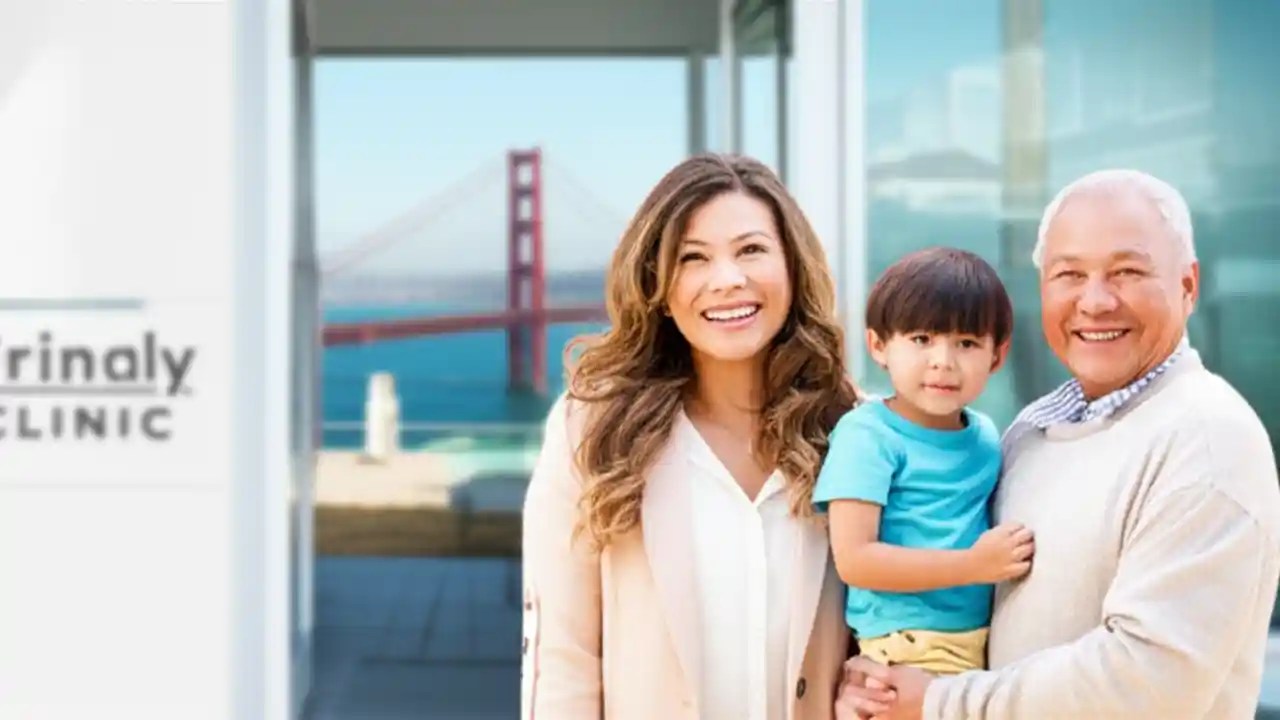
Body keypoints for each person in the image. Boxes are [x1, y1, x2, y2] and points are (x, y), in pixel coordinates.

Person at [837, 168, 1280, 720]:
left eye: (1126, 271)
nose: (1094, 301)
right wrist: (876, 676)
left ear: (1188, 285)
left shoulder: (1208, 439)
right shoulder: (1027, 433)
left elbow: (1149, 679)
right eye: (1069, 274)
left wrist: (937, 702)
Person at [520, 153, 860, 720]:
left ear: (793, 266)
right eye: (692, 258)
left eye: (751, 250)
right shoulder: (594, 432)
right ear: (658, 285)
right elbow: (562, 659)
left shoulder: (853, 429)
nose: (726, 279)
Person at [813, 247, 1033, 677]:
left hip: (981, 646)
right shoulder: (868, 435)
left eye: (966, 343)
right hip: (907, 648)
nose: (943, 362)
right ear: (878, 345)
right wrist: (974, 565)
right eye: (921, 340)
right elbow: (855, 559)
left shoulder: (987, 437)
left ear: (997, 356)